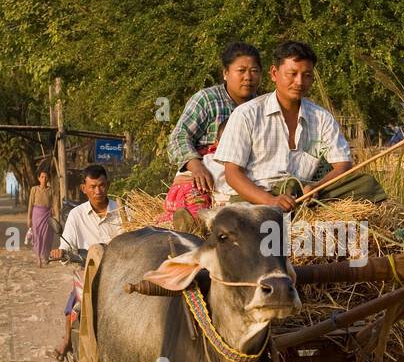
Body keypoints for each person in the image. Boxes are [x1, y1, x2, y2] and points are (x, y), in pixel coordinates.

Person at [214, 40, 387, 211]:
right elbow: (233, 174)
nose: (299, 82)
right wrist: (270, 201)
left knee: (365, 183)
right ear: (274, 73)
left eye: (307, 75)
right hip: (258, 197)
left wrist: (317, 188)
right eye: (292, 74)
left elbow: (343, 164)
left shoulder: (321, 118)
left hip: (303, 194)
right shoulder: (246, 114)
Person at [160, 41, 262, 225]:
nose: (248, 77)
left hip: (244, 177)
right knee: (196, 211)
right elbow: (179, 137)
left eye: (254, 71)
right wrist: (197, 167)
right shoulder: (207, 100)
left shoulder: (261, 107)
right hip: (204, 177)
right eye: (241, 71)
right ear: (225, 73)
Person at [51, 164, 125, 360]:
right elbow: (67, 245)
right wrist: (61, 252)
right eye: (92, 187)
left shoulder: (124, 211)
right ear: (84, 188)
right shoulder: (76, 215)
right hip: (89, 271)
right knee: (75, 303)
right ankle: (67, 339)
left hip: (121, 271)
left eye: (101, 185)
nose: (97, 191)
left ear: (107, 185)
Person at [26, 167, 58, 268]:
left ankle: (45, 255)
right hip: (36, 215)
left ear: (48, 179)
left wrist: (56, 217)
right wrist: (29, 218)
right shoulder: (34, 189)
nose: (44, 179)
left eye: (46, 177)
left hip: (47, 216)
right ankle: (38, 257)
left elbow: (55, 204)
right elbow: (30, 204)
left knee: (46, 236)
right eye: (42, 177)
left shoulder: (50, 190)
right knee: (37, 236)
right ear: (39, 178)